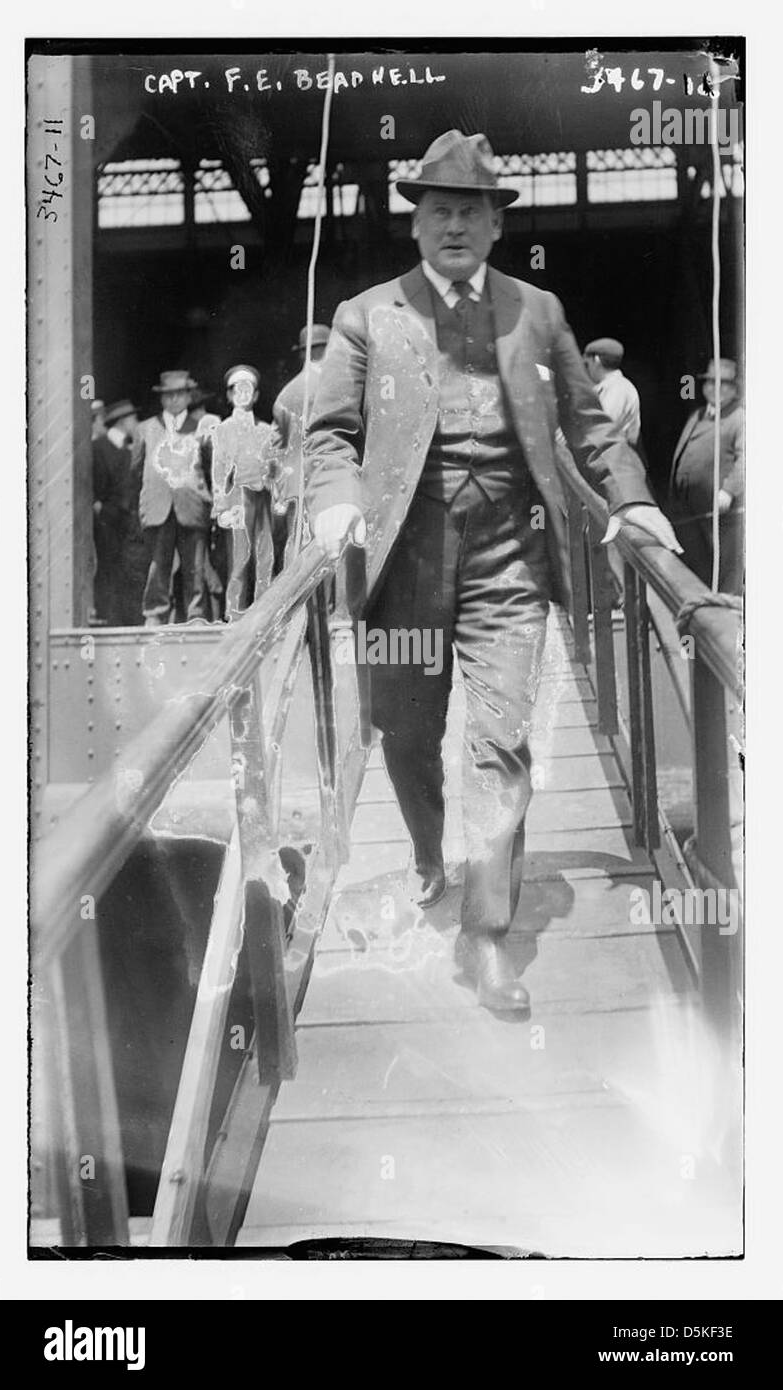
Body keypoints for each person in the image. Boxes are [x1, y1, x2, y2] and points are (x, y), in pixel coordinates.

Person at [305, 129, 681, 1014]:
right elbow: (329, 435)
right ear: (416, 224)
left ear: (495, 225)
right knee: (405, 734)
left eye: (471, 211)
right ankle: (433, 853)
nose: (455, 227)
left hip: (508, 557)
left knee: (500, 740)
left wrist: (630, 501)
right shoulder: (366, 316)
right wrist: (333, 497)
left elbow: (591, 428)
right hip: (403, 560)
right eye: (439, 210)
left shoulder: (536, 311)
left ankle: (486, 936)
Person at [134, 370, 214, 626]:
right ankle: (155, 613)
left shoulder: (201, 428)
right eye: (169, 395)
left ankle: (196, 614)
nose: (174, 400)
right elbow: (135, 469)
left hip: (191, 506)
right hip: (158, 506)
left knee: (195, 566)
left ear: (189, 396)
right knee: (159, 564)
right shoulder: (145, 429)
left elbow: (211, 467)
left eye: (180, 394)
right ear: (161, 398)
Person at [668, 357, 744, 595]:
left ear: (734, 389)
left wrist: (729, 491)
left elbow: (748, 459)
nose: (715, 388)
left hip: (719, 512)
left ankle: (723, 621)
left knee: (724, 569)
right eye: (710, 382)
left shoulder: (740, 418)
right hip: (689, 508)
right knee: (697, 565)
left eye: (723, 383)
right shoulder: (698, 414)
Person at [208, 364, 275, 618]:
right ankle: (234, 612)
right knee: (240, 555)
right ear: (229, 395)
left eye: (249, 389)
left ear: (256, 395)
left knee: (265, 553)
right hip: (237, 498)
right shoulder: (222, 430)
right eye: (238, 389)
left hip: (262, 497)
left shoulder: (266, 430)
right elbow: (219, 471)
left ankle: (263, 610)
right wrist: (221, 506)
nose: (244, 394)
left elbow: (273, 467)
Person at [268, 323, 331, 565]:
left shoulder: (286, 394)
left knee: (298, 545)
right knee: (323, 547)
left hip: (296, 482)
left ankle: (298, 603)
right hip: (325, 479)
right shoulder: (334, 388)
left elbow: (276, 444)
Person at [92, 399, 141, 625]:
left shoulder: (128, 449)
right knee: (108, 566)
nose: (136, 423)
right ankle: (108, 616)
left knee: (125, 568)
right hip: (108, 519)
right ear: (123, 421)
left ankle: (123, 618)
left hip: (126, 520)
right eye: (133, 419)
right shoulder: (98, 447)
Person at [582, 338, 641, 446]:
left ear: (596, 360)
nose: (587, 370)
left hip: (609, 459)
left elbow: (601, 431)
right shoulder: (609, 387)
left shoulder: (618, 388)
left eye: (587, 364)